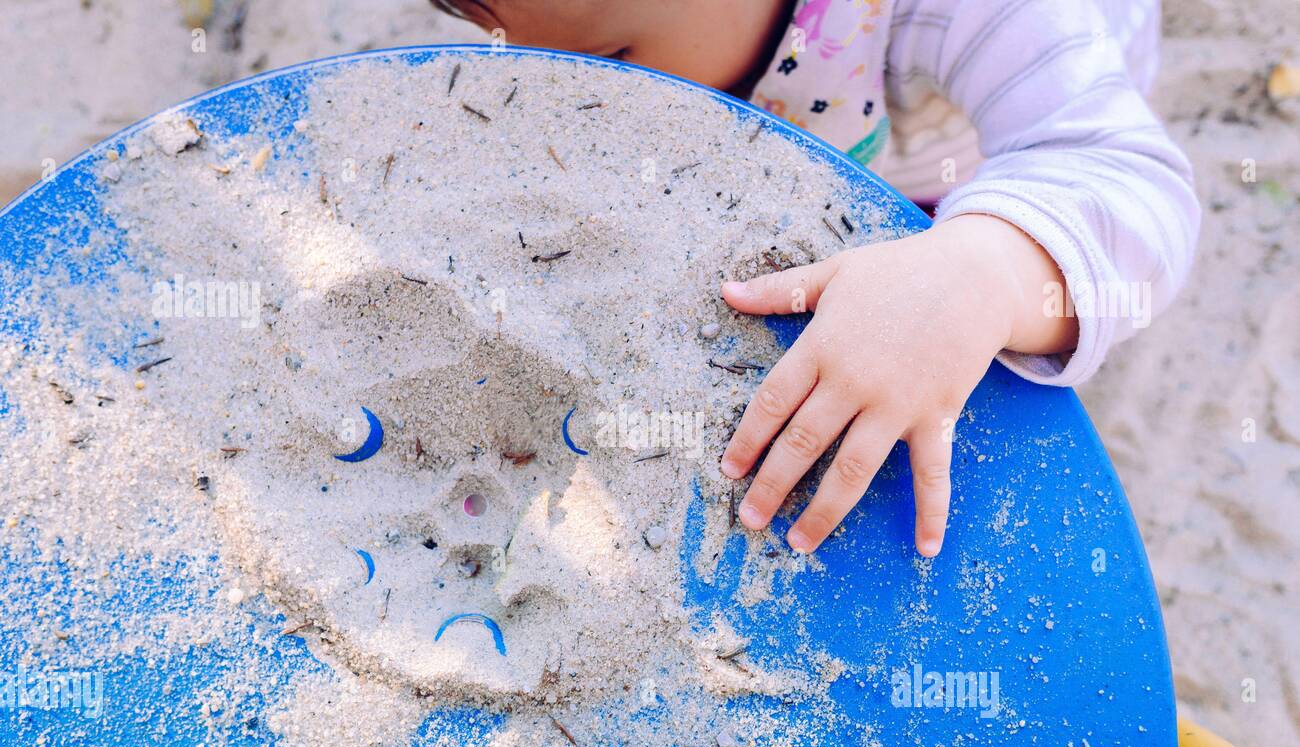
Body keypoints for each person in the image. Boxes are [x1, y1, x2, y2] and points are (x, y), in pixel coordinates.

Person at [431, 0, 1200, 556]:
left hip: (992, 134)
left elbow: (1133, 188)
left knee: (959, 292)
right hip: (836, 130)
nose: (574, 100)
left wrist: (983, 272)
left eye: (613, 63)